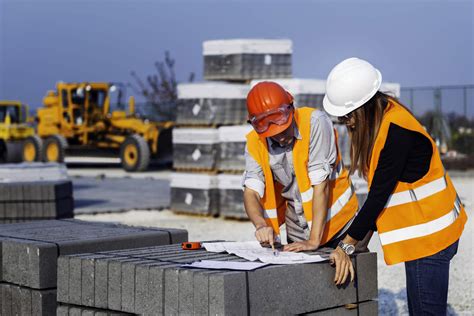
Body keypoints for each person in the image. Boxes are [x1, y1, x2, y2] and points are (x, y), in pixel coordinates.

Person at [323, 57, 467, 315]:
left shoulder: (395, 133)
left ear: (361, 108)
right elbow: (388, 193)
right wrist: (361, 239)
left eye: (347, 116)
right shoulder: (387, 117)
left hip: (431, 238)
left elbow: (378, 195)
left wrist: (346, 245)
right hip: (427, 234)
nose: (347, 123)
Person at [243, 81, 361, 283]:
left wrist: (314, 241)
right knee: (305, 291)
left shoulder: (315, 123)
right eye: (273, 135)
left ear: (291, 106)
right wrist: (261, 225)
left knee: (350, 294)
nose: (280, 138)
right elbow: (251, 191)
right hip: (298, 229)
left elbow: (320, 185)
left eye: (283, 129)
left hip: (340, 224)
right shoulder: (255, 142)